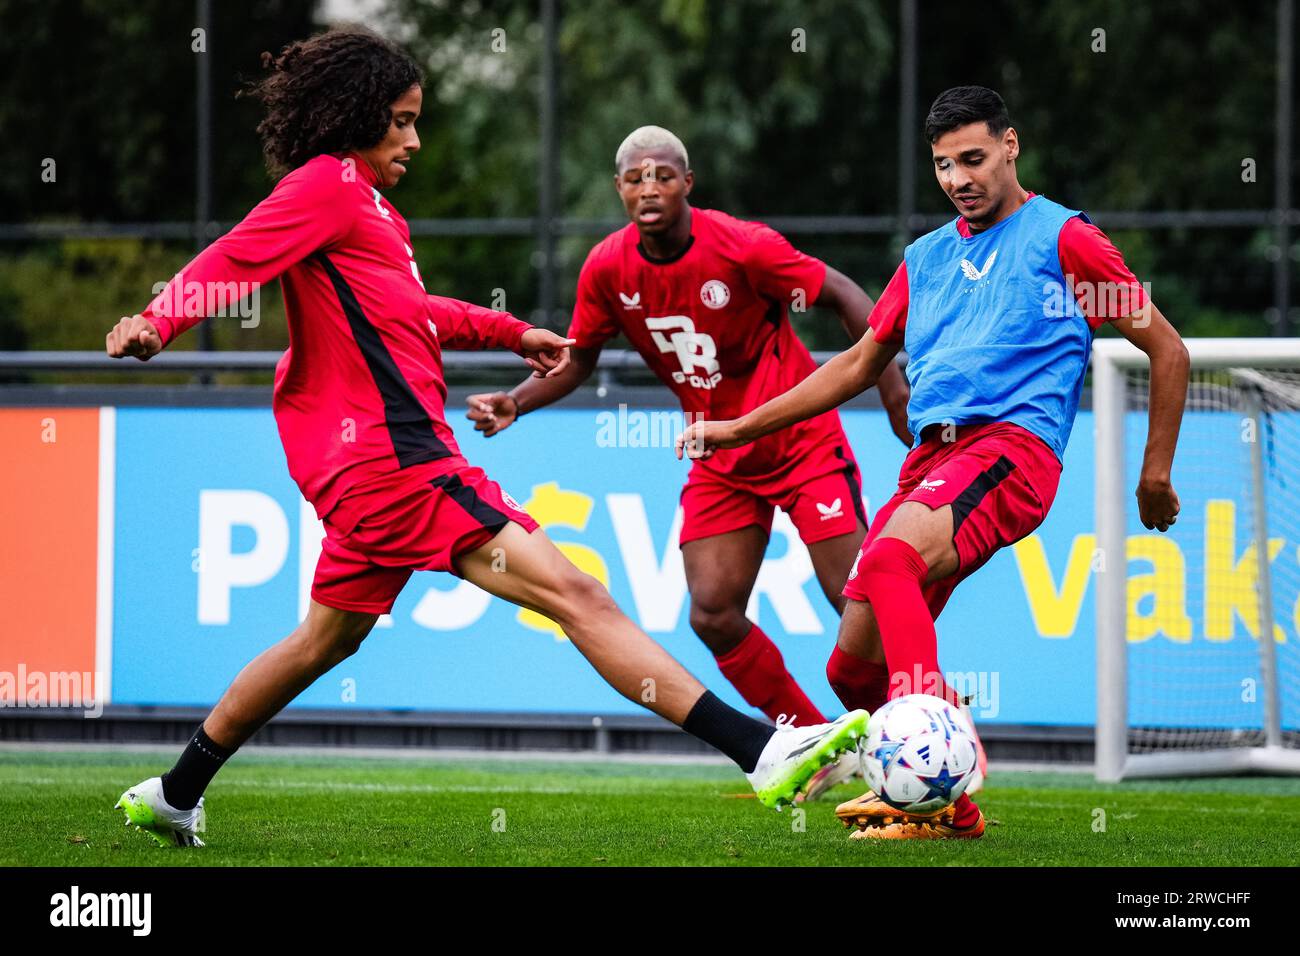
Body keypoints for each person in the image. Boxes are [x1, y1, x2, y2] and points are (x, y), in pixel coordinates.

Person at [105, 28, 866, 847]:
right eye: (400, 120)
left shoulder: (374, 215)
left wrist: (511, 332)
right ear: (359, 115)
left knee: (321, 640)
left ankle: (175, 791)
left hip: (368, 471)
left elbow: (412, 315)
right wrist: (158, 318)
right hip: (396, 461)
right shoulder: (324, 187)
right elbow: (233, 257)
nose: (414, 139)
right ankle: (762, 751)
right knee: (578, 596)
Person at [678, 86, 1189, 839]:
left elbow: (1167, 349)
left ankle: (924, 786)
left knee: (886, 563)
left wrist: (1154, 473)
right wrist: (740, 427)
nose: (959, 180)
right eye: (945, 166)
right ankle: (952, 806)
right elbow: (856, 362)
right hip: (929, 463)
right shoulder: (926, 257)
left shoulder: (1065, 239)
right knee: (852, 672)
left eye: (974, 159)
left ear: (1011, 147)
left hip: (1009, 450)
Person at [467, 129, 910, 799]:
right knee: (711, 612)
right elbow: (580, 362)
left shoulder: (743, 246)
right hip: (719, 456)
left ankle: (917, 744)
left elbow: (844, 292)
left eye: (663, 176)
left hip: (800, 439)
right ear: (619, 189)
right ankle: (810, 740)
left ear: (688, 183)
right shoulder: (607, 269)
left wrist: (893, 384)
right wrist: (517, 403)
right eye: (635, 178)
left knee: (860, 601)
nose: (649, 188)